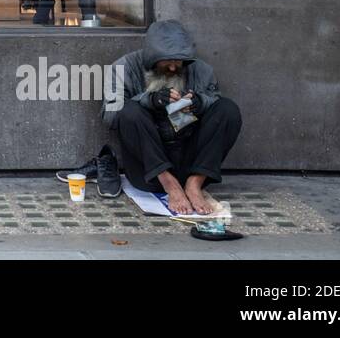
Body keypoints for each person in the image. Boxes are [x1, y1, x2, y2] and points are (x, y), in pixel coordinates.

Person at [102, 19, 242, 215]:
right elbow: (111, 116)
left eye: (179, 61)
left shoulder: (202, 70)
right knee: (130, 111)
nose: (174, 68)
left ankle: (194, 184)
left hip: (190, 161)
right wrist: (150, 101)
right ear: (152, 57)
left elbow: (215, 101)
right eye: (167, 62)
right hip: (148, 171)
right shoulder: (122, 68)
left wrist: (200, 103)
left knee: (227, 109)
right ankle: (170, 184)